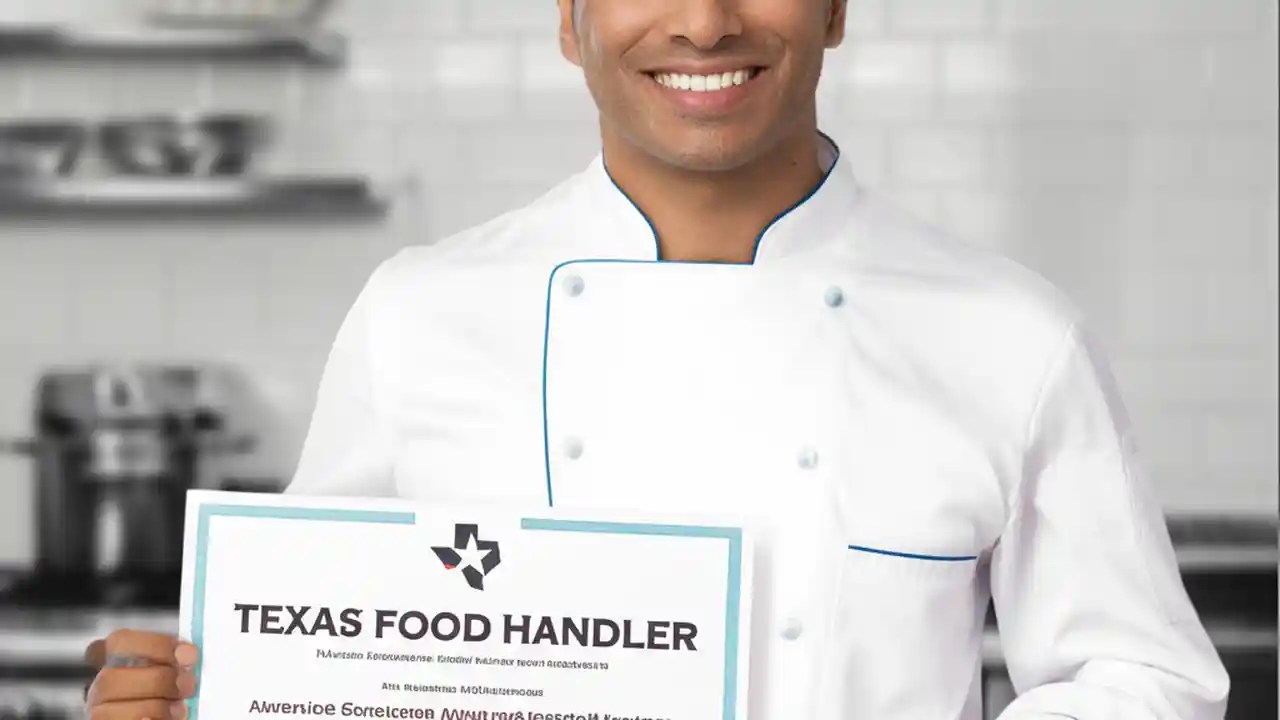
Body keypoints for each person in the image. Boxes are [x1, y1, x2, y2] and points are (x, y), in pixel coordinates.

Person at [83, 1, 1230, 718]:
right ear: (568, 18)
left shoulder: (1007, 336)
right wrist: (196, 699)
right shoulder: (421, 314)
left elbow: (1145, 682)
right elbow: (323, 662)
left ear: (835, 10)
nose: (701, 23)